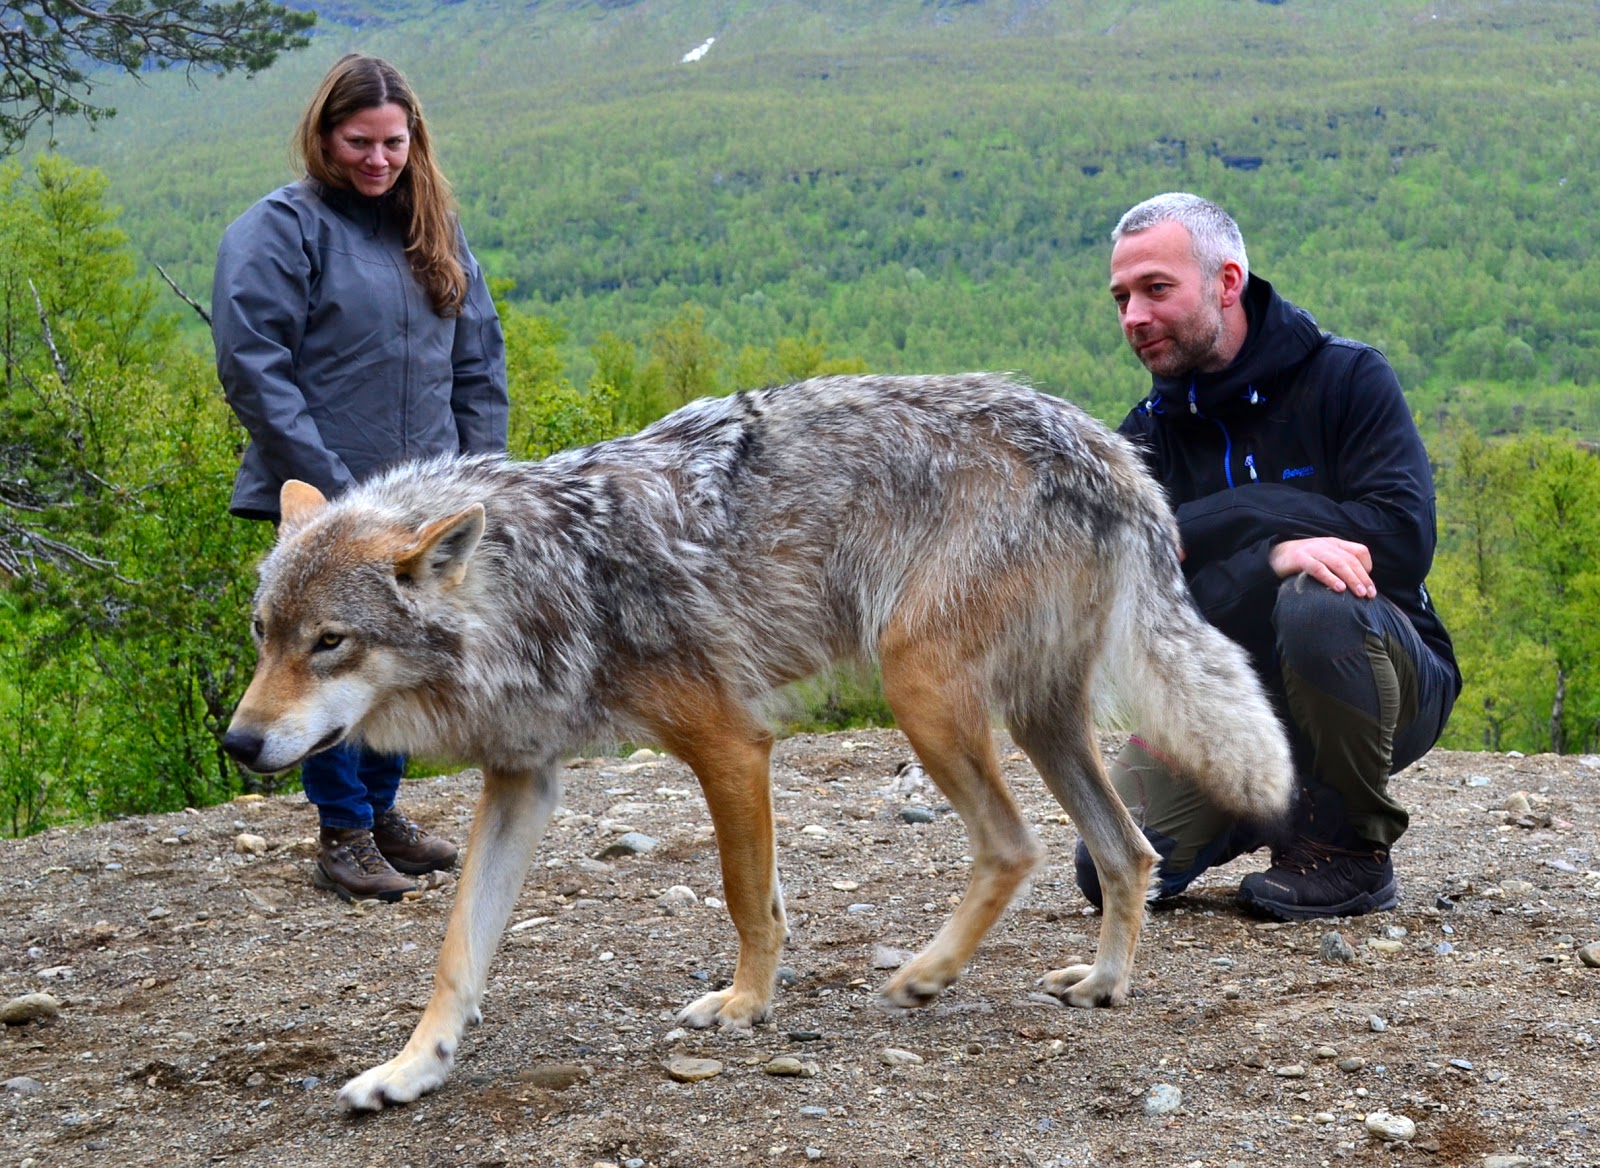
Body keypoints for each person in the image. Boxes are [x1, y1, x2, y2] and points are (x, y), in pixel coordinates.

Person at [1077, 191, 1461, 921]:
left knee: (1318, 600)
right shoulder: (1146, 441)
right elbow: (1134, 606)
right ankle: (1275, 804)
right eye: (1122, 297)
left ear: (1227, 283)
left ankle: (1349, 851)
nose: (1134, 316)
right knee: (1108, 872)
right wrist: (1267, 553)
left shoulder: (1347, 381)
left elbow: (1404, 542)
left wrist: (1232, 521)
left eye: (1157, 289)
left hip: (1383, 681)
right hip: (1233, 703)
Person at [212, 53, 509, 903]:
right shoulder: (281, 229)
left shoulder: (434, 231)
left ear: (415, 139)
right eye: (358, 142)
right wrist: (327, 489)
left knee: (398, 648)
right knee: (320, 654)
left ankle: (380, 815)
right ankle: (342, 832)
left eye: (393, 142)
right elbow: (251, 364)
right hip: (324, 496)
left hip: (421, 495)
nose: (378, 161)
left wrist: (478, 475)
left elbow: (480, 361)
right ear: (323, 135)